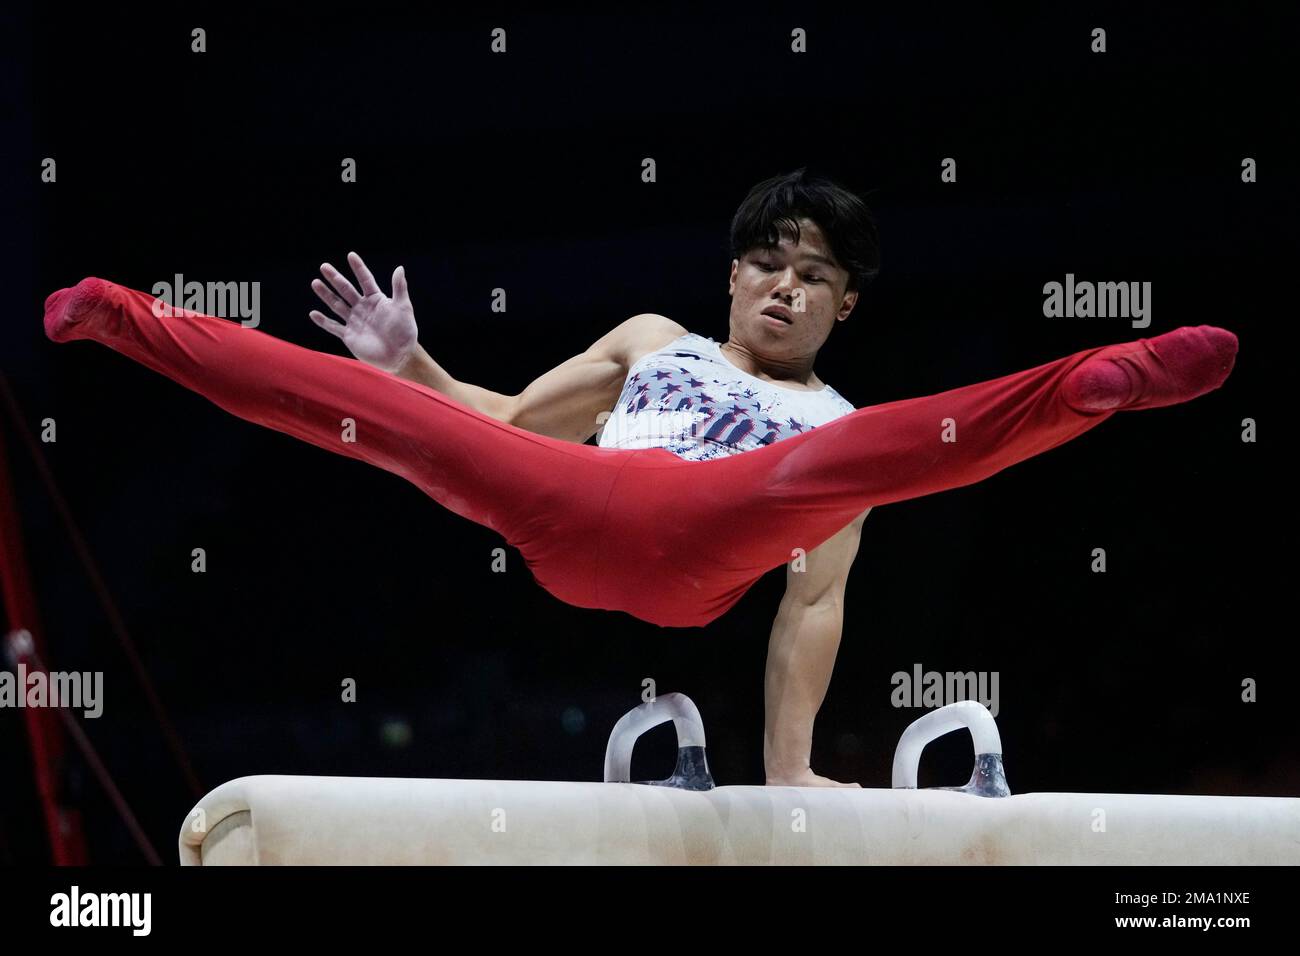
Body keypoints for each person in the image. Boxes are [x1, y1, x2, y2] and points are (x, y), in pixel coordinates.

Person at [43, 169, 1237, 787]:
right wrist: (412, 363)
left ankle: (1093, 382)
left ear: (844, 302)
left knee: (880, 445)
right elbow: (502, 422)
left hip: (712, 542)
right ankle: (124, 321)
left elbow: (811, 601)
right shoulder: (649, 338)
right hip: (578, 506)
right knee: (376, 417)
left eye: (811, 276)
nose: (782, 287)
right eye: (765, 264)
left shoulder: (827, 420)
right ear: (730, 277)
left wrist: (787, 774)